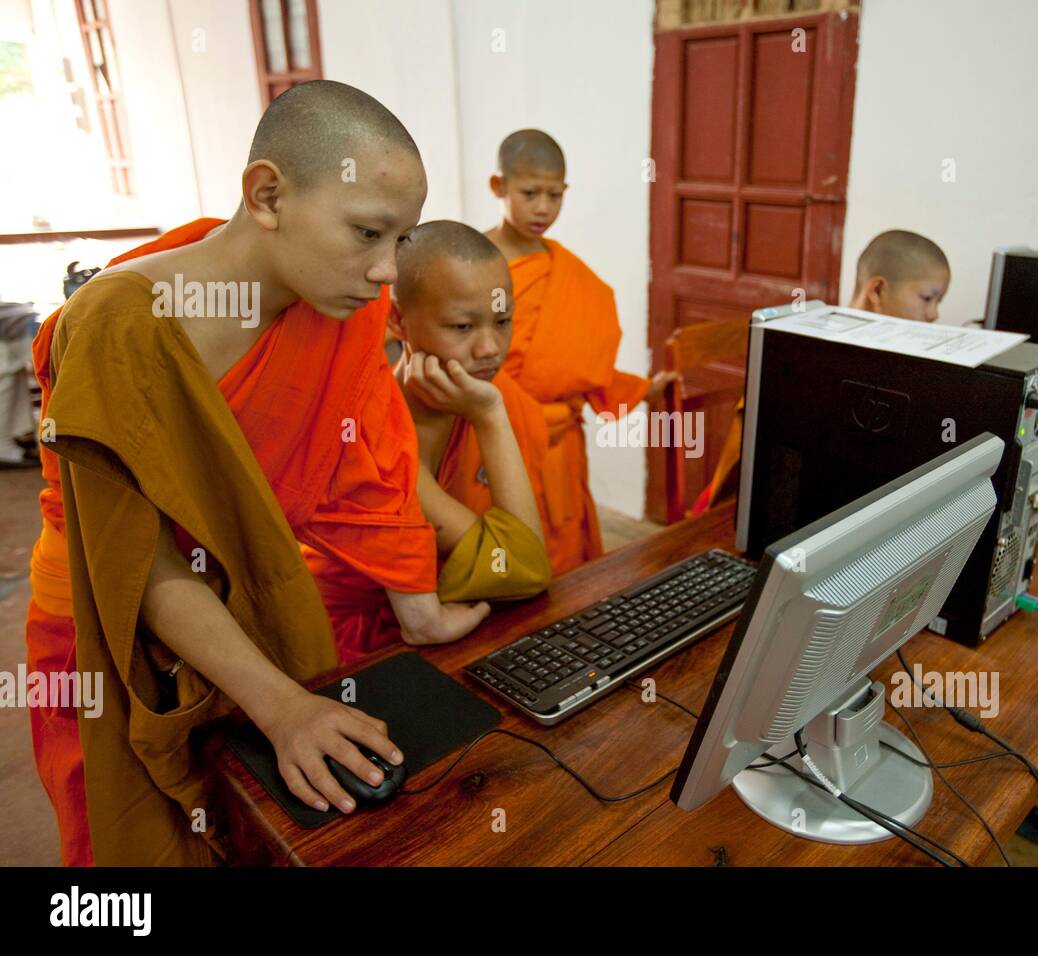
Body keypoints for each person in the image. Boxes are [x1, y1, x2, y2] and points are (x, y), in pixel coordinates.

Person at [25, 80, 485, 866]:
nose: (384, 273)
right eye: (367, 233)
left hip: (253, 615)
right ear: (267, 195)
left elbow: (363, 470)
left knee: (266, 835)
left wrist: (421, 607)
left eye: (398, 244)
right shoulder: (118, 325)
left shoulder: (344, 309)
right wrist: (281, 707)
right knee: (132, 851)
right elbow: (134, 561)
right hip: (106, 629)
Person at [306, 220, 553, 663]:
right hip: (346, 648)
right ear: (398, 320)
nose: (489, 348)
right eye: (462, 327)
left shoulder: (499, 396)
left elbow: (526, 563)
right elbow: (523, 570)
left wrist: (491, 412)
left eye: (502, 321)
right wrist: (490, 419)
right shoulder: (369, 425)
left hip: (463, 620)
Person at [483, 129, 674, 574]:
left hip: (561, 445)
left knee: (565, 558)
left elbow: (578, 361)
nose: (543, 208)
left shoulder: (562, 268)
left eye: (555, 195)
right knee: (507, 553)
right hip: (494, 439)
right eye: (530, 193)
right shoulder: (477, 261)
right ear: (499, 187)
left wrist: (642, 389)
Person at [691, 229, 951, 514]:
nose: (934, 314)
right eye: (927, 298)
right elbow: (746, 465)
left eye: (938, 302)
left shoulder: (901, 359)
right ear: (877, 290)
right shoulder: (811, 357)